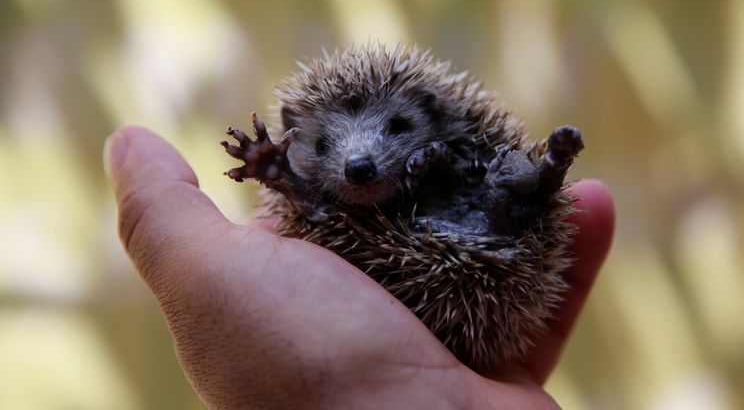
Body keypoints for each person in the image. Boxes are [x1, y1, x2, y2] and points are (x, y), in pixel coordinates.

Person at [103, 126, 614, 409]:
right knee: (337, 219)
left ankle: (529, 185)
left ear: (433, 112)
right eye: (327, 144)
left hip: (473, 224)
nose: (360, 160)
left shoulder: (452, 139)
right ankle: (528, 186)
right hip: (436, 248)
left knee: (496, 193)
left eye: (396, 128)